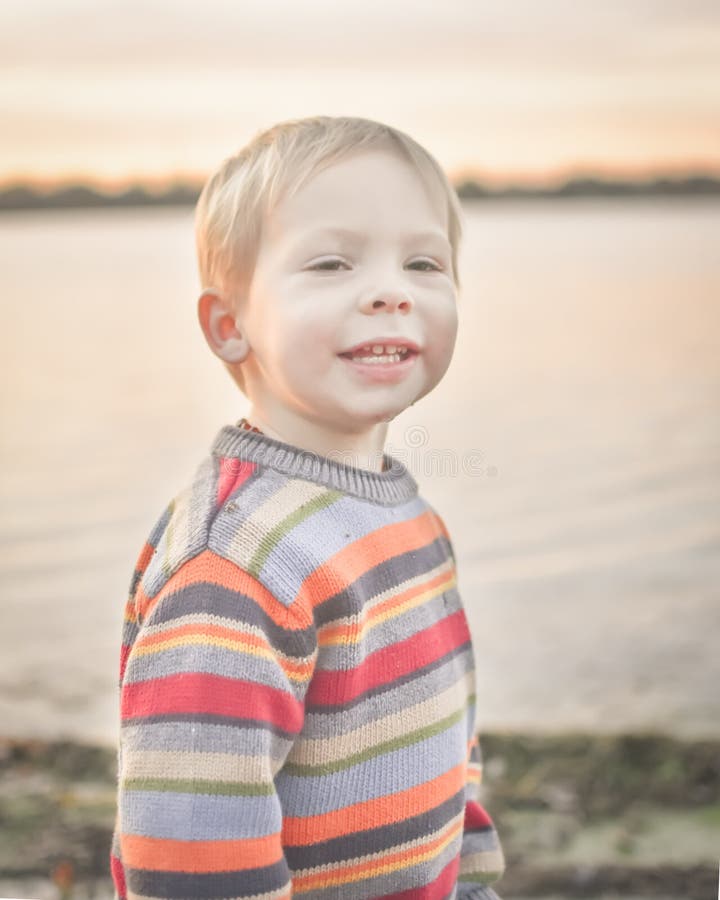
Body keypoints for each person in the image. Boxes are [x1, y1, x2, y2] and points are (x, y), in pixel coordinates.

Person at [110, 115, 505, 900]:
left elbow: (450, 761)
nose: (391, 292)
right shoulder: (236, 565)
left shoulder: (409, 518)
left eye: (424, 262)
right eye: (331, 263)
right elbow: (191, 855)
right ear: (231, 326)